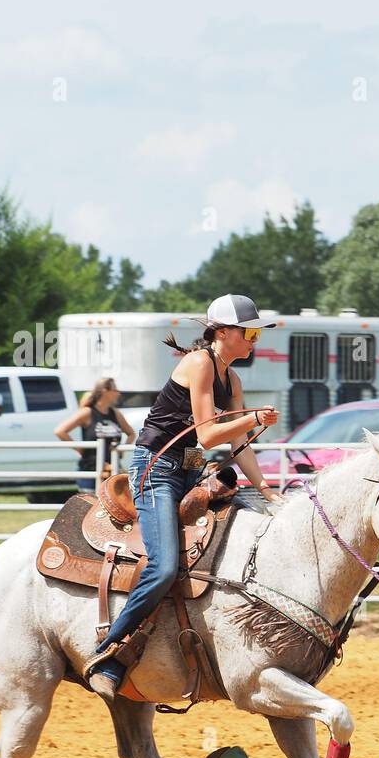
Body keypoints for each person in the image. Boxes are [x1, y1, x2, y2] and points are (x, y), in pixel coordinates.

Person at [84, 294, 283, 701]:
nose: (254, 340)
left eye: (256, 333)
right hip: (157, 472)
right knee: (163, 566)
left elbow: (240, 442)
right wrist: (253, 418)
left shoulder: (232, 378)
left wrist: (265, 489)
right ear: (223, 332)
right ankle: (109, 653)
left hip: (189, 472)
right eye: (249, 332)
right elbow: (211, 434)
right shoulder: (199, 363)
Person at [54, 377, 136, 493]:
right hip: (91, 468)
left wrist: (120, 451)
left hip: (111, 470)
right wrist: (81, 449)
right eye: (115, 389)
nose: (118, 393)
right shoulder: (87, 412)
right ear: (104, 391)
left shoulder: (115, 413)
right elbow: (60, 431)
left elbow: (131, 433)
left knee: (110, 507)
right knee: (90, 506)